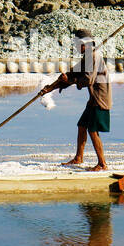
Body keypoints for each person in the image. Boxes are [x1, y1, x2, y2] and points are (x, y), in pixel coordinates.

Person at [46, 29, 111, 171]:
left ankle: (102, 164)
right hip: (93, 99)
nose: (76, 47)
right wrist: (50, 88)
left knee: (93, 130)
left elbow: (88, 79)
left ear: (85, 44)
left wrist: (72, 80)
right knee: (82, 125)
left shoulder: (93, 57)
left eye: (77, 44)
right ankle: (78, 158)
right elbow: (71, 74)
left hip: (100, 98)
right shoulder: (87, 57)